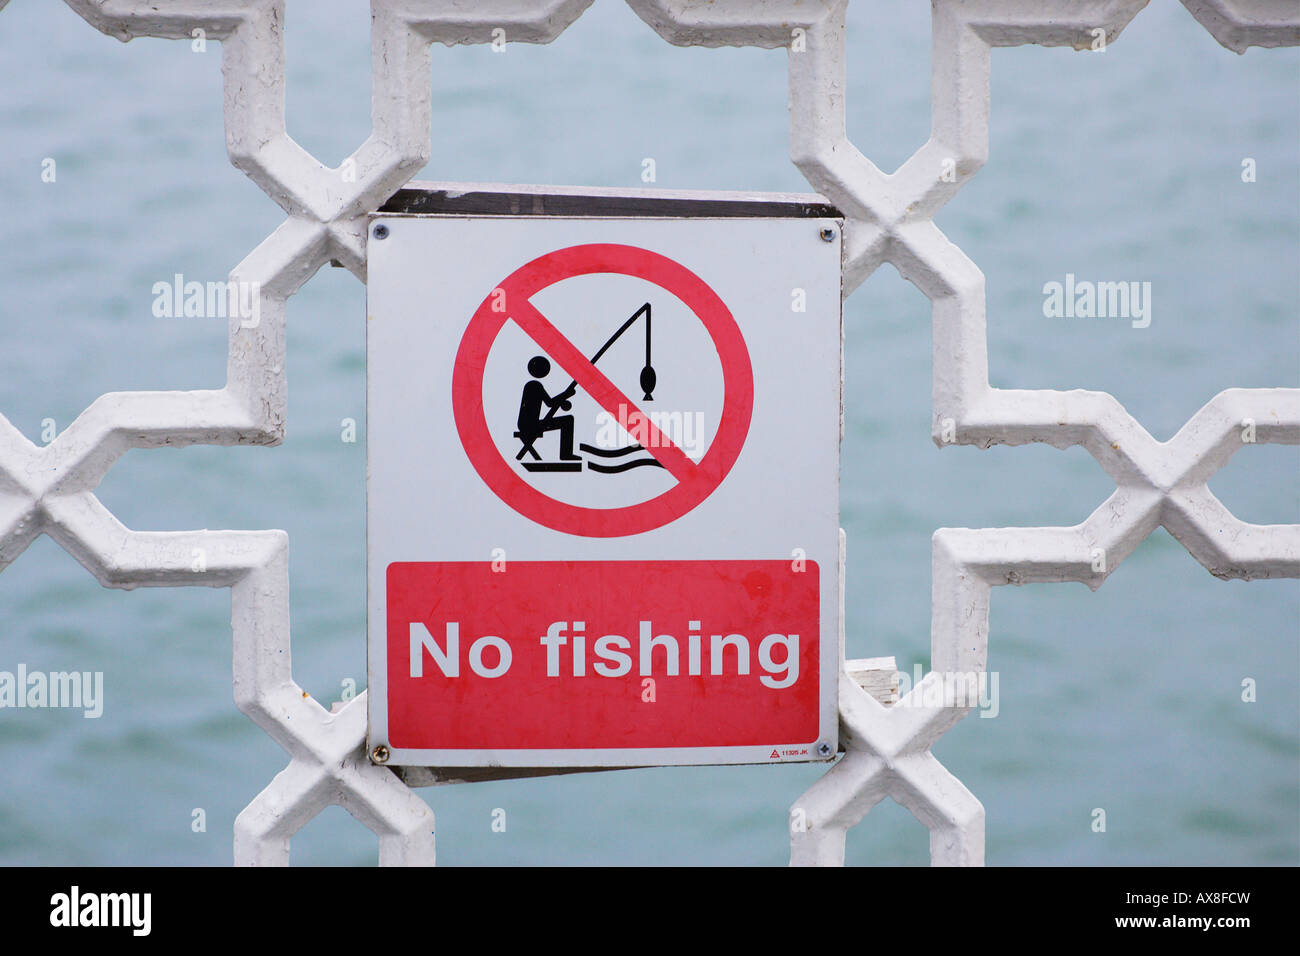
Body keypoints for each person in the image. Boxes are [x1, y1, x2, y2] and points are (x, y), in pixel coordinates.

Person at [517, 356, 580, 460]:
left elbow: (550, 403)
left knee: (567, 420)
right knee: (567, 421)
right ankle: (565, 454)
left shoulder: (531, 385)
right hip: (530, 425)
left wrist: (565, 395)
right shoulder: (534, 385)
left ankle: (566, 454)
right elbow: (550, 403)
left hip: (528, 424)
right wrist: (566, 394)